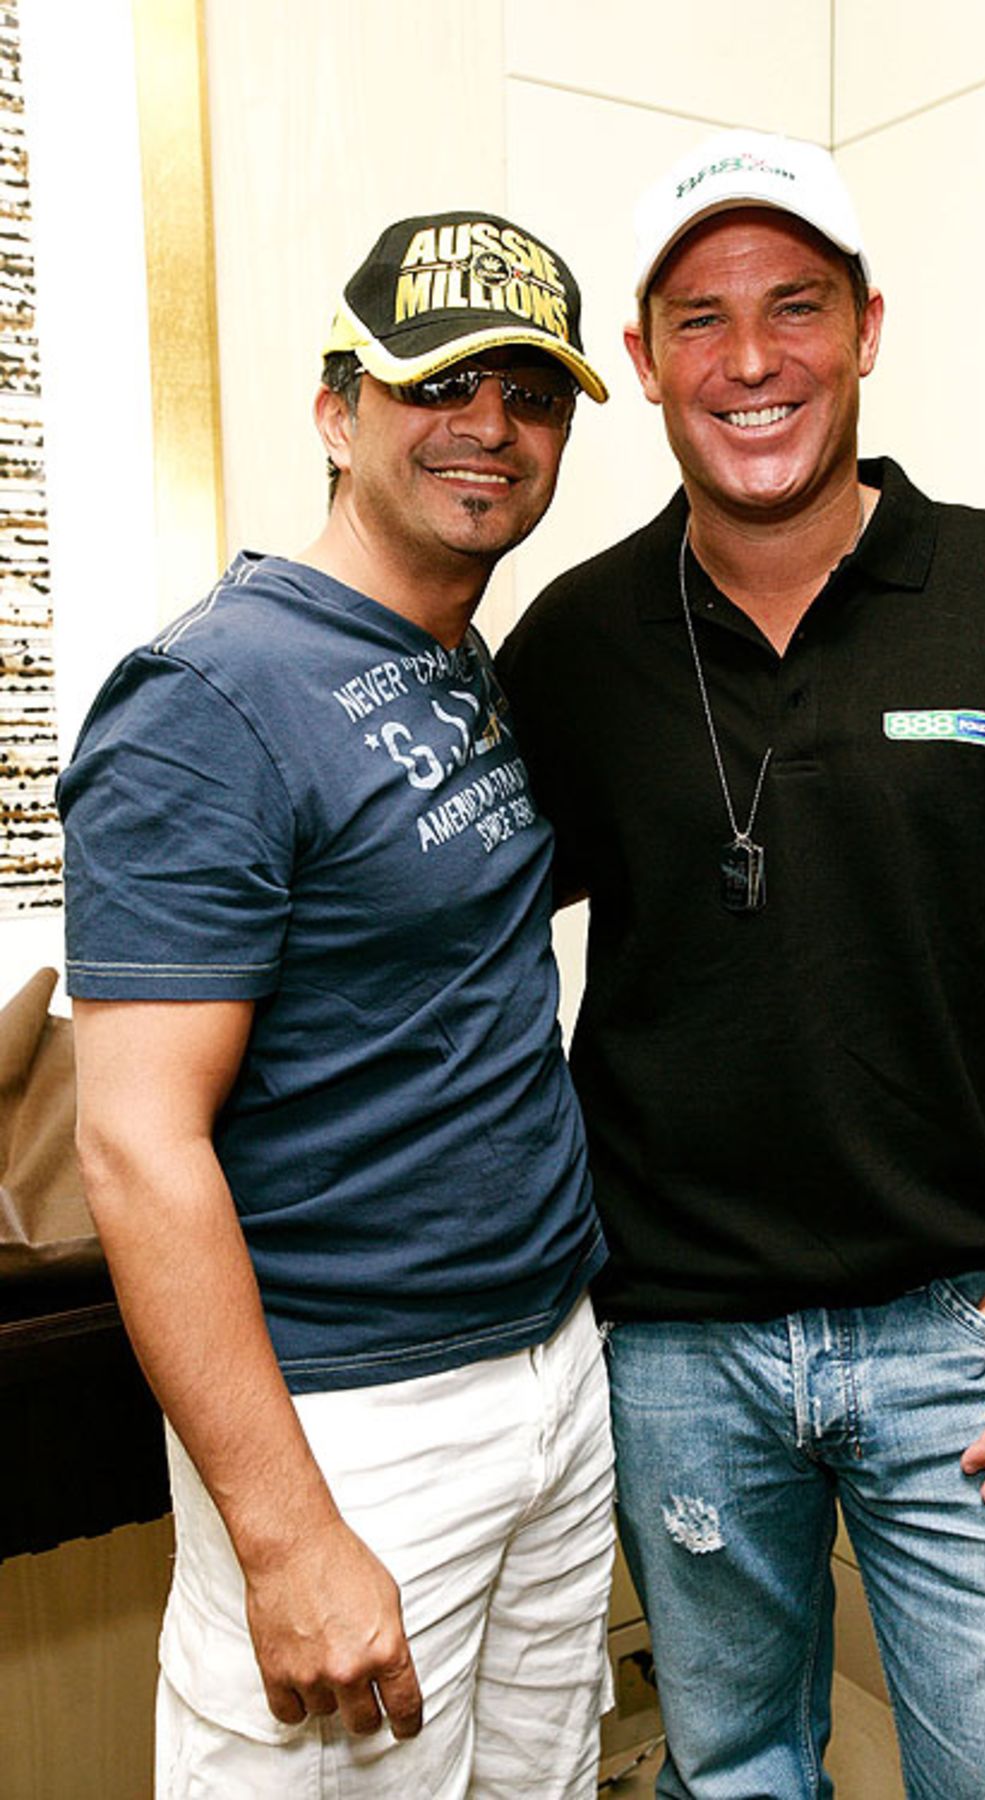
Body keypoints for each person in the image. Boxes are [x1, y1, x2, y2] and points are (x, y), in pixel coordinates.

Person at [496, 132, 985, 1799]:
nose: (752, 362)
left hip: (965, 1338)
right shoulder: (575, 646)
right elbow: (465, 944)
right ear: (645, 362)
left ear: (867, 328)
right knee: (734, 1773)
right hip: (672, 1350)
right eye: (701, 320)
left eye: (795, 306)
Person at [59, 208, 615, 1799]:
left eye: (530, 390)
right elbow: (137, 1147)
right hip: (356, 1425)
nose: (490, 427)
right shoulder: (211, 699)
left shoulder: (460, 657)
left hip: (549, 1376)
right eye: (440, 382)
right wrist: (290, 1535)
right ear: (336, 409)